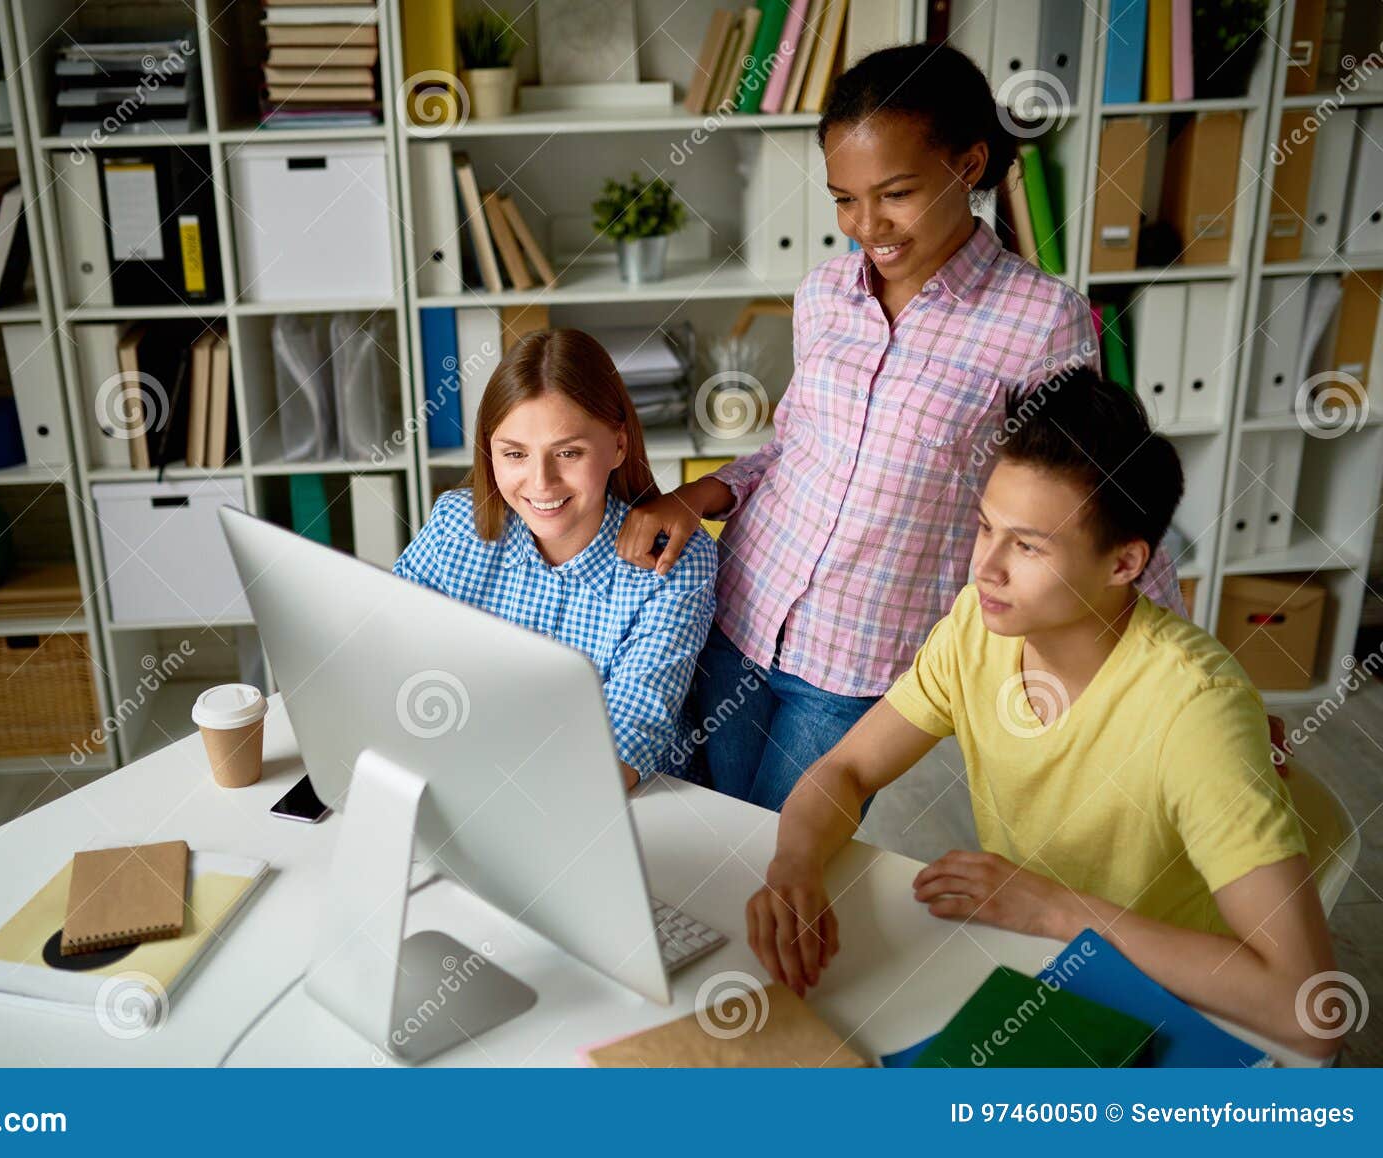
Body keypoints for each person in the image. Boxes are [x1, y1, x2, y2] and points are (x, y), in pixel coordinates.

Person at [616, 42, 1187, 810]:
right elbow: (792, 448)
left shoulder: (1039, 320)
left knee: (780, 852)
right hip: (740, 609)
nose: (867, 226)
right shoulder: (823, 295)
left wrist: (1187, 685)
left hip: (860, 658)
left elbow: (1092, 494)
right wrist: (700, 497)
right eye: (845, 198)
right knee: (692, 827)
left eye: (896, 193)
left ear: (970, 164)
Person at [745, 373, 1340, 1059]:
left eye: (1027, 546)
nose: (985, 570)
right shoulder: (977, 626)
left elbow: (1310, 1009)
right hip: (1036, 967)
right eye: (984, 528)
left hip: (1169, 1011)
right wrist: (794, 863)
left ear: (1124, 563)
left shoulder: (1195, 709)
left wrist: (1057, 909)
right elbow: (847, 767)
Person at [395, 328, 717, 790]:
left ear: (618, 446)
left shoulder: (676, 562)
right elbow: (387, 645)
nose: (541, 482)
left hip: (625, 804)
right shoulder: (454, 525)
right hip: (468, 772)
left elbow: (628, 734)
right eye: (515, 454)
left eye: (568, 452)